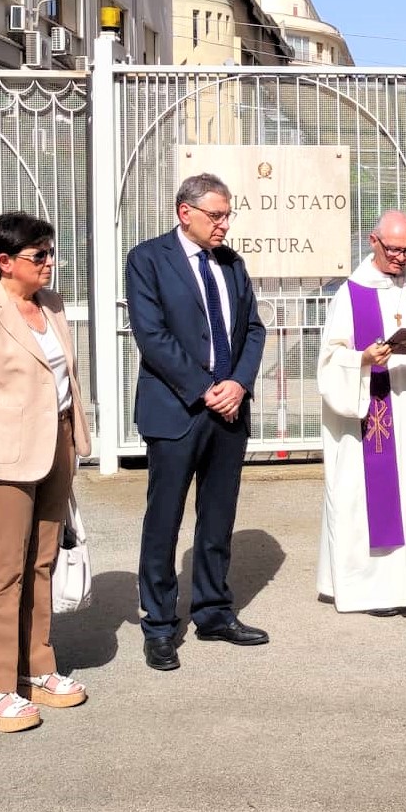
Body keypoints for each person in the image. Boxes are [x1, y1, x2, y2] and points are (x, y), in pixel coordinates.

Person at [0, 212, 91, 732]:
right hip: (4, 457)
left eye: (50, 253)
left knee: (43, 561)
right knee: (5, 569)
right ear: (5, 262)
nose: (49, 263)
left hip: (55, 445)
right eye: (39, 256)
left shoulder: (51, 305)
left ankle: (37, 668)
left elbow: (64, 377)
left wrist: (76, 437)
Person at [126, 173, 268, 671]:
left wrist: (239, 384)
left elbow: (253, 328)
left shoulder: (232, 264)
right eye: (216, 215)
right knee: (163, 521)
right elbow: (152, 336)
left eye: (228, 215)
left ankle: (212, 611)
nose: (224, 225)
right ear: (185, 212)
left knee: (217, 518)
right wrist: (206, 388)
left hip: (229, 411)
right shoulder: (148, 260)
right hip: (177, 411)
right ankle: (160, 625)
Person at [317, 210, 406, 616]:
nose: (400, 258)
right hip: (368, 414)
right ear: (373, 241)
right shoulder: (350, 295)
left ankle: (405, 581)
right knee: (362, 500)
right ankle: (370, 589)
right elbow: (329, 359)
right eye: (393, 249)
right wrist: (362, 357)